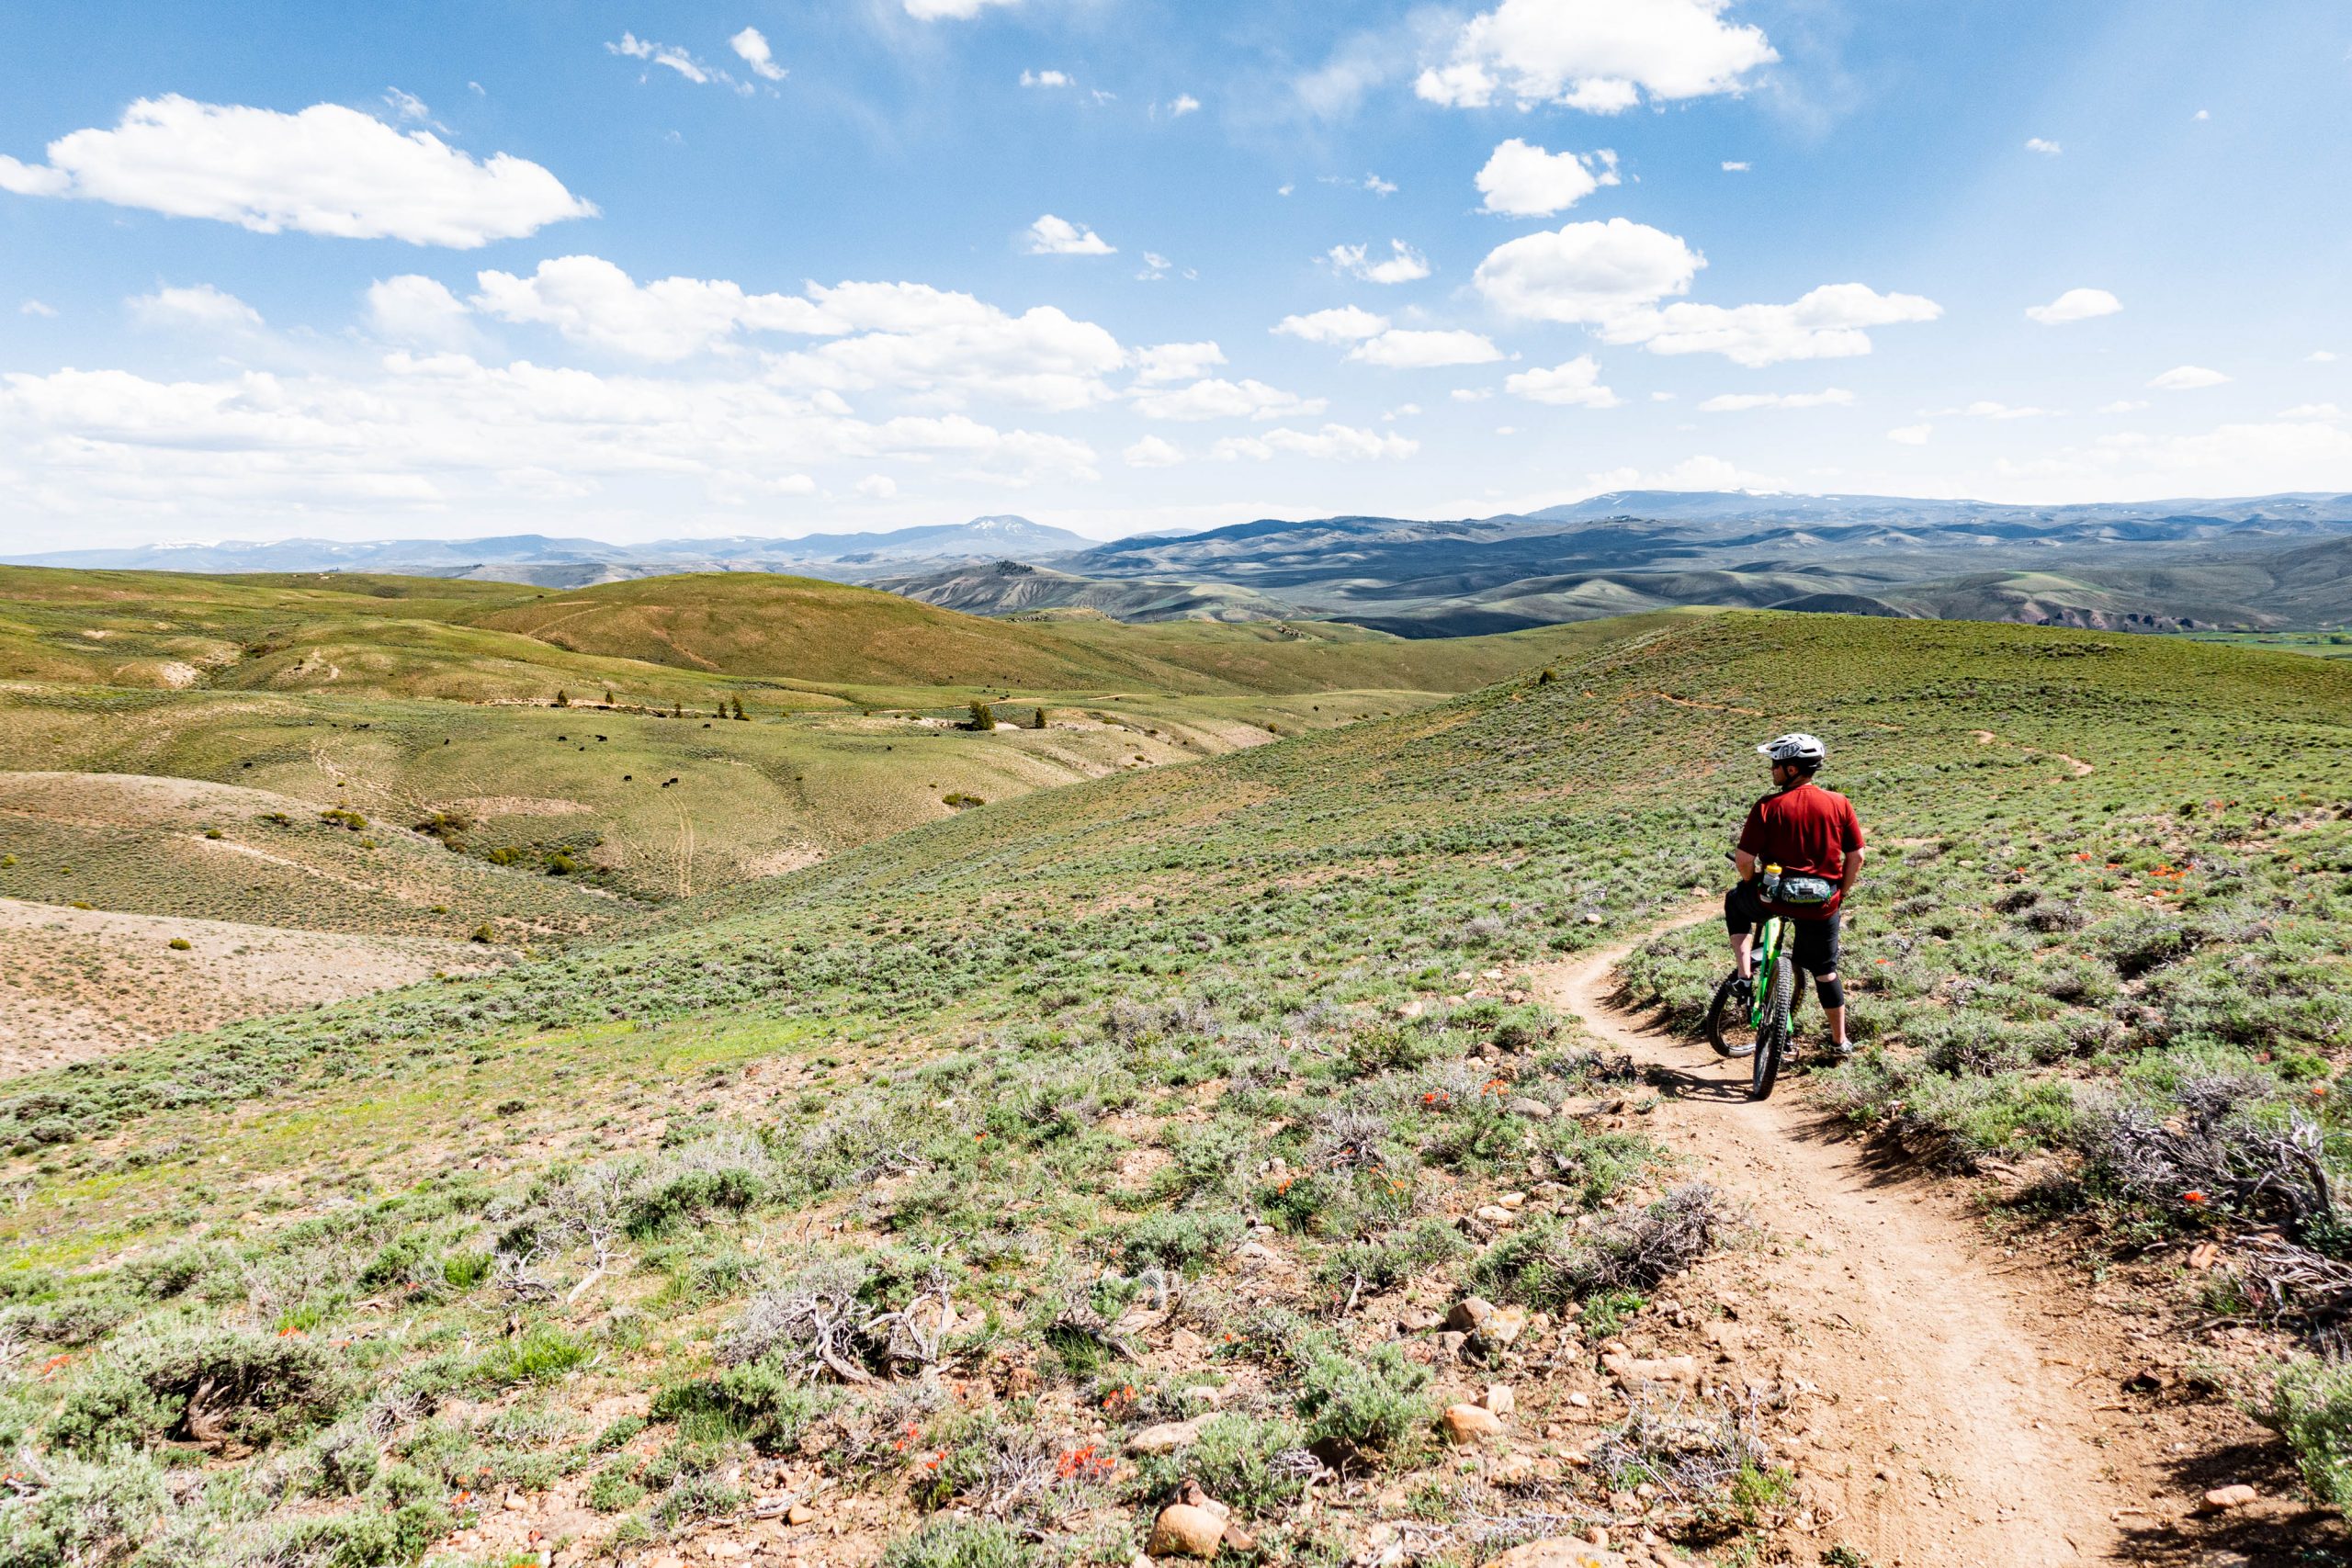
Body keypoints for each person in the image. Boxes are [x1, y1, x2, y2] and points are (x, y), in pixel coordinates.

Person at [1724, 733, 1866, 1059]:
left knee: (1735, 902)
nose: (1771, 769)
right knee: (1825, 970)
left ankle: (1744, 977)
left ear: (1791, 769)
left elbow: (1744, 860)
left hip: (1774, 898)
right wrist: (1840, 893)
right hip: (1821, 904)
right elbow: (1857, 857)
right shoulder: (1840, 803)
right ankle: (1840, 1042)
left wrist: (1752, 881)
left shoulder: (1768, 806)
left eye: (1776, 763)